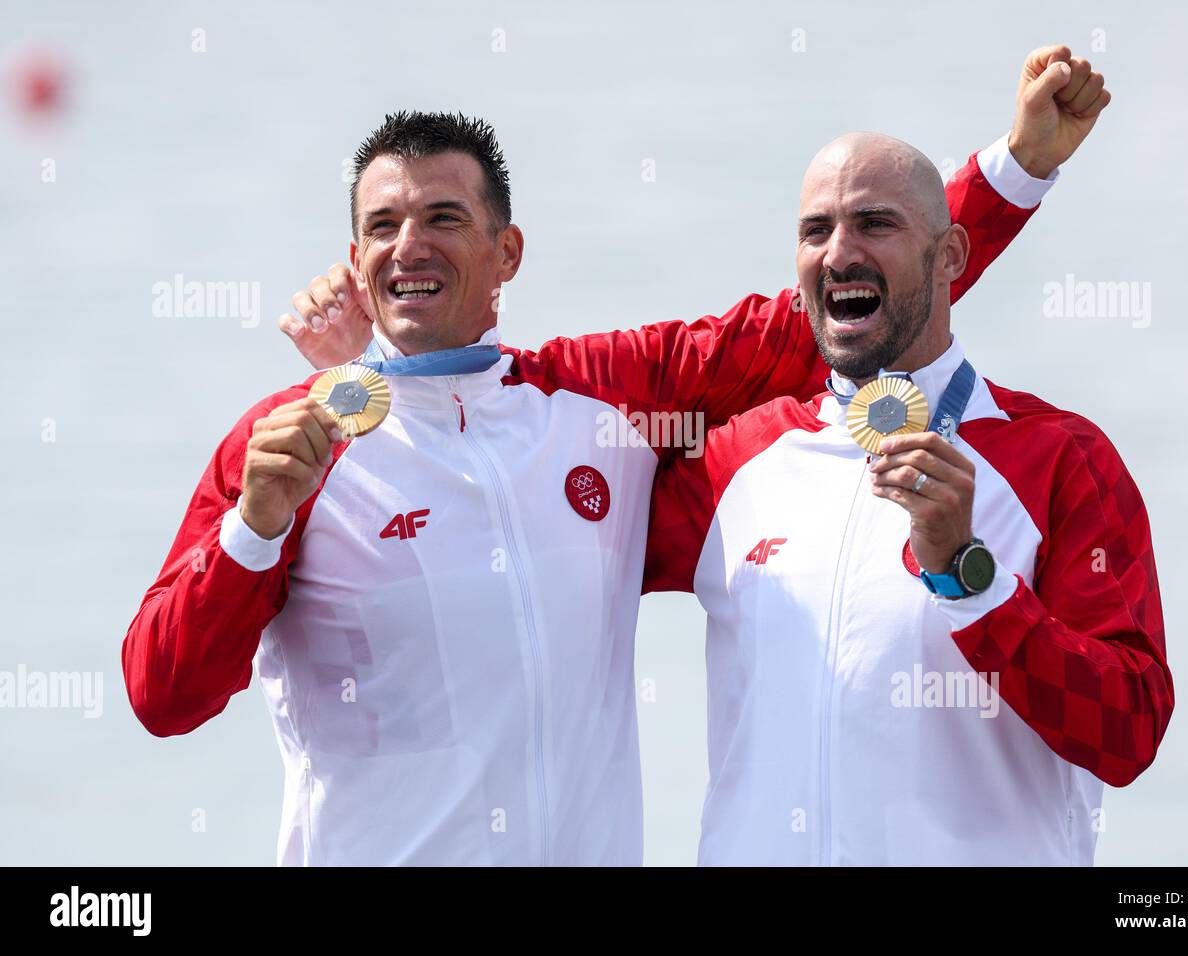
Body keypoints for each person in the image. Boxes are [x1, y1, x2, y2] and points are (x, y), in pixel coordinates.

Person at [124, 47, 1105, 865]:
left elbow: (828, 310)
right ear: (354, 259)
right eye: (382, 226)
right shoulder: (283, 448)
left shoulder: (597, 404)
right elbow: (161, 696)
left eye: (442, 220)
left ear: (507, 254)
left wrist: (1017, 165)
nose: (408, 244)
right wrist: (253, 530)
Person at [643, 126, 1171, 866]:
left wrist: (970, 580)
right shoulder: (735, 460)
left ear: (951, 255)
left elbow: (1129, 732)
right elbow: (548, 565)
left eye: (875, 224)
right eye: (815, 230)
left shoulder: (1060, 457)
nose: (839, 253)